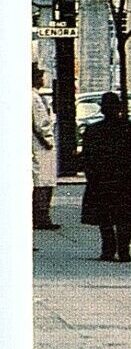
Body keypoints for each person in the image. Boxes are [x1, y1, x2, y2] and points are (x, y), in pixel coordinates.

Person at [80, 91, 131, 262]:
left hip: (102, 180)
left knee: (105, 217)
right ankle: (123, 250)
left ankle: (108, 249)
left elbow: (87, 158)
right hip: (127, 180)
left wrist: (91, 176)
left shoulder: (93, 130)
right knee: (125, 217)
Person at [32, 64, 59, 229]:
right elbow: (41, 123)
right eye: (40, 77)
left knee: (41, 179)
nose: (43, 80)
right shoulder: (34, 98)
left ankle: (41, 215)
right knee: (43, 181)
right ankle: (42, 216)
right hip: (40, 146)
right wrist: (48, 140)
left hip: (36, 145)